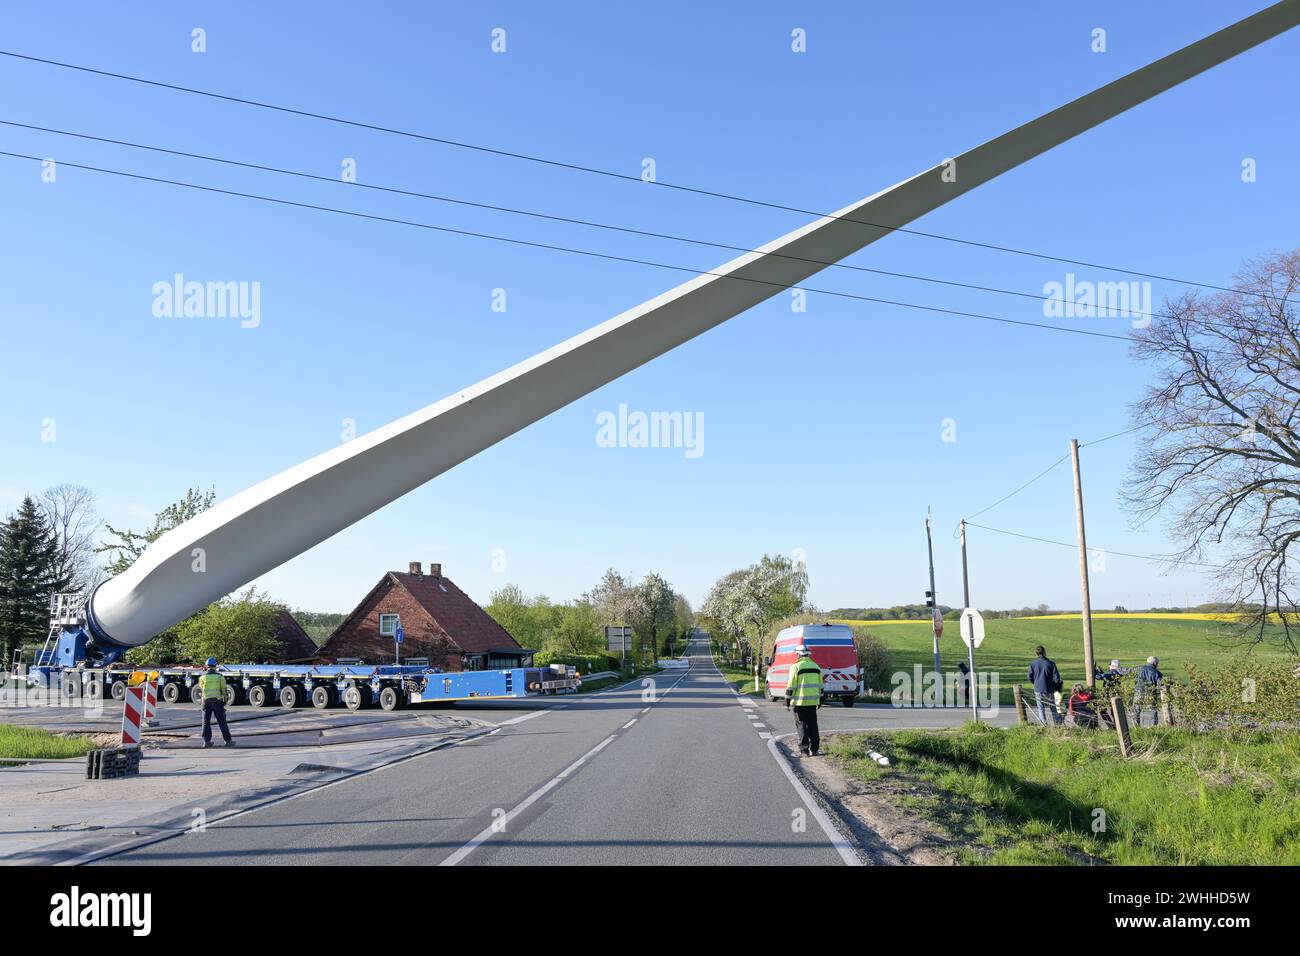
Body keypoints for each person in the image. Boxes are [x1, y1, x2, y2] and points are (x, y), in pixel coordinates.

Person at [788, 645, 823, 756]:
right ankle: (815, 749)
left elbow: (791, 686)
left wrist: (787, 701)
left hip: (799, 703)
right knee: (813, 725)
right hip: (813, 702)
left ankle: (804, 750)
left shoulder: (796, 667)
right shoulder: (816, 667)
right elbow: (821, 686)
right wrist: (820, 700)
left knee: (801, 725)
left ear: (798, 654)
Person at [198, 657, 236, 748]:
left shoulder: (202, 678)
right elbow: (224, 690)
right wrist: (225, 701)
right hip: (217, 702)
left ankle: (206, 742)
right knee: (222, 722)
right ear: (215, 666)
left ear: (207, 666)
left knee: (205, 722)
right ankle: (228, 741)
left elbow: (201, 689)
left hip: (206, 702)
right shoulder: (220, 677)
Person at [1027, 645, 1063, 725]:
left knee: (1041, 708)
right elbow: (1057, 679)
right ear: (1044, 652)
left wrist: (1035, 682)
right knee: (1053, 707)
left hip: (1038, 688)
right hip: (1049, 689)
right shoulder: (1051, 663)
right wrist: (1053, 685)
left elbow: (1029, 677)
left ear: (1036, 653)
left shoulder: (1033, 664)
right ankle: (1058, 723)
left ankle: (1044, 724)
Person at [1132, 655, 1164, 726]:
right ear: (1155, 663)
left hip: (1138, 692)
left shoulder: (1139, 669)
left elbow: (1127, 672)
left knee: (1136, 710)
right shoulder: (1157, 673)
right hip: (1150, 693)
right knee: (1152, 711)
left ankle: (1136, 726)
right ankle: (1153, 727)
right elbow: (1160, 685)